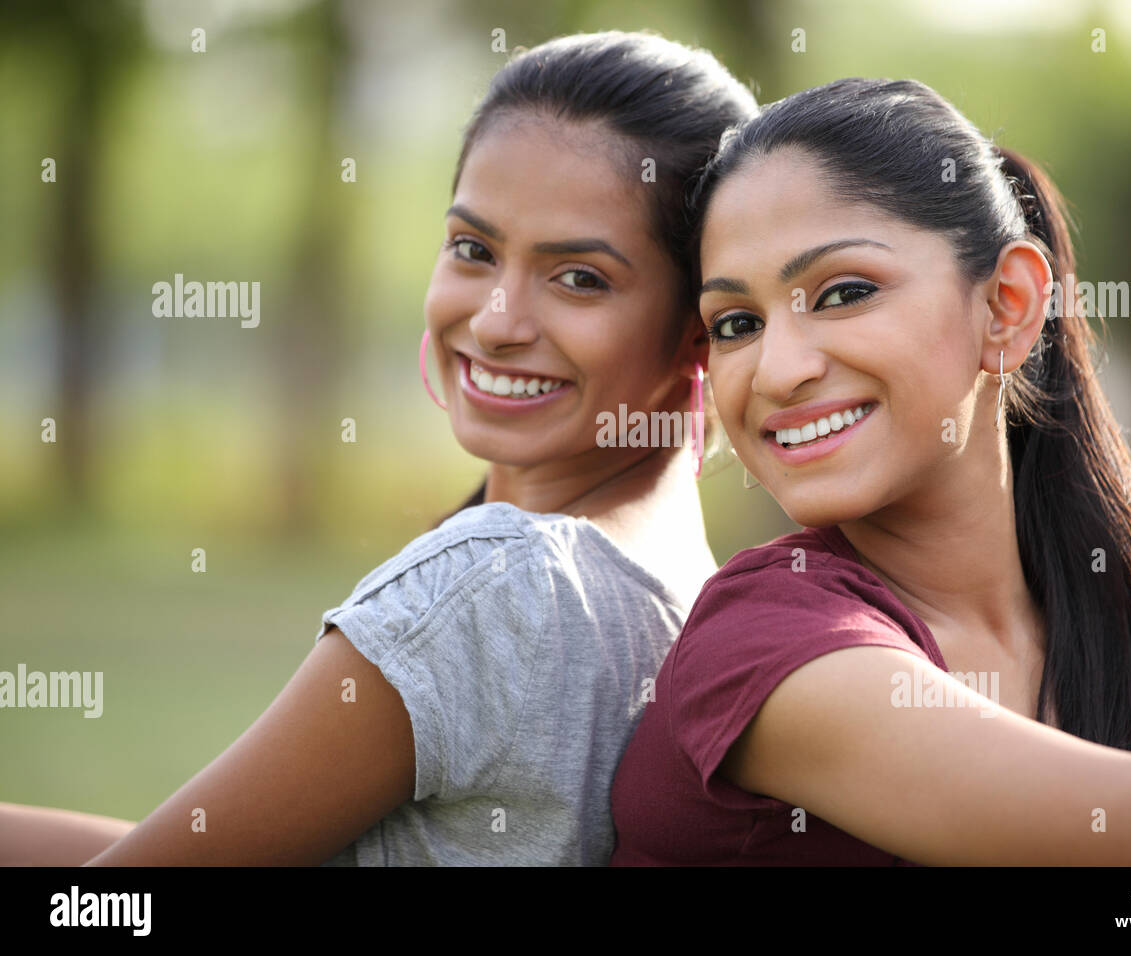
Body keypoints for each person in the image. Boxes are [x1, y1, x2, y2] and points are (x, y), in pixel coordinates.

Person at [0, 31, 756, 866]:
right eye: (473, 249)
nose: (498, 321)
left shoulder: (499, 582)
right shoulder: (697, 596)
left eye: (579, 277)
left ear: (700, 332)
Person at [610, 77, 1131, 866]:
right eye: (737, 324)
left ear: (1007, 305)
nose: (777, 370)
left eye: (842, 293)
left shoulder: (1129, 602)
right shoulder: (763, 643)